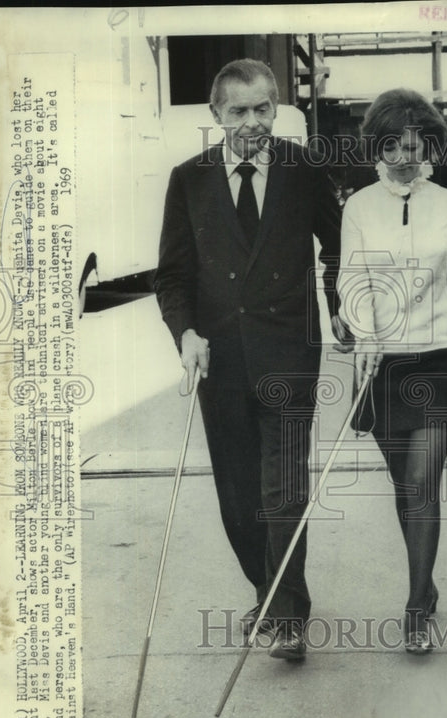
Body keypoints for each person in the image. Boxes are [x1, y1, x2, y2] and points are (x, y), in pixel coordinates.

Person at [154, 59, 347, 659]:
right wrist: (185, 333)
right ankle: (269, 592)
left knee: (283, 487)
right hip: (221, 358)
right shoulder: (188, 180)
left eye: (264, 108)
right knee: (239, 497)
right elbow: (174, 275)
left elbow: (340, 245)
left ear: (276, 110)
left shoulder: (304, 169)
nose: (253, 122)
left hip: (291, 352)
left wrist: (343, 306)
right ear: (215, 116)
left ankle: (288, 619)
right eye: (238, 111)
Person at [337, 89, 447, 654]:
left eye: (415, 143)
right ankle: (427, 583)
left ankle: (415, 606)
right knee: (406, 486)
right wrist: (367, 340)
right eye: (395, 144)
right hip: (383, 365)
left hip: (442, 358)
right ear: (378, 145)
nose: (406, 154)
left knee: (422, 481)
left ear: (429, 144)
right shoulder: (359, 207)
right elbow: (354, 284)